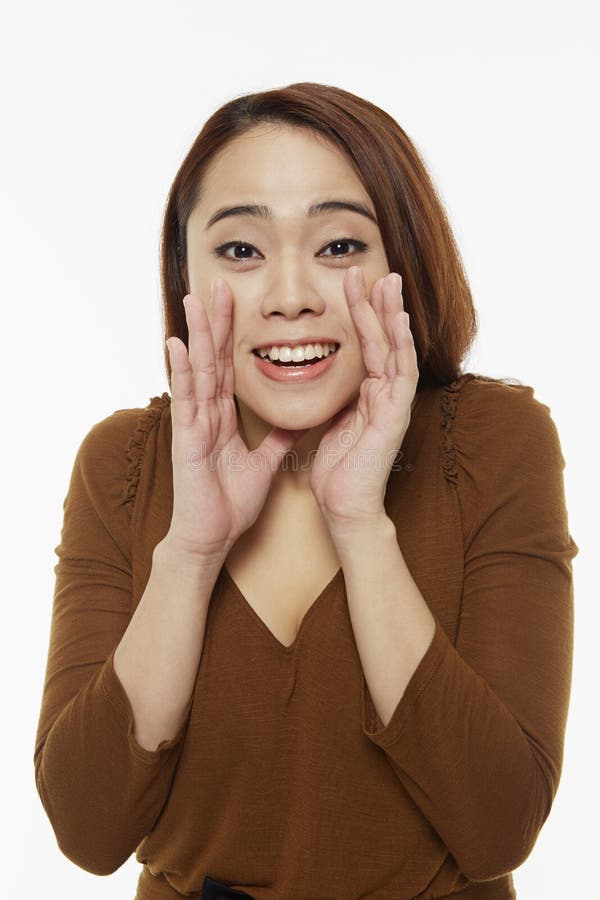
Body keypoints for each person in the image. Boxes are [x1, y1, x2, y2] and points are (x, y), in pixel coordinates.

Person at [33, 82, 578, 900]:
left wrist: (360, 523)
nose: (291, 296)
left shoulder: (492, 441)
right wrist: (191, 551)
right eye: (242, 251)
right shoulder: (124, 463)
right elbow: (87, 829)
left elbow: (499, 825)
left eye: (339, 246)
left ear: (403, 261)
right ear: (187, 276)